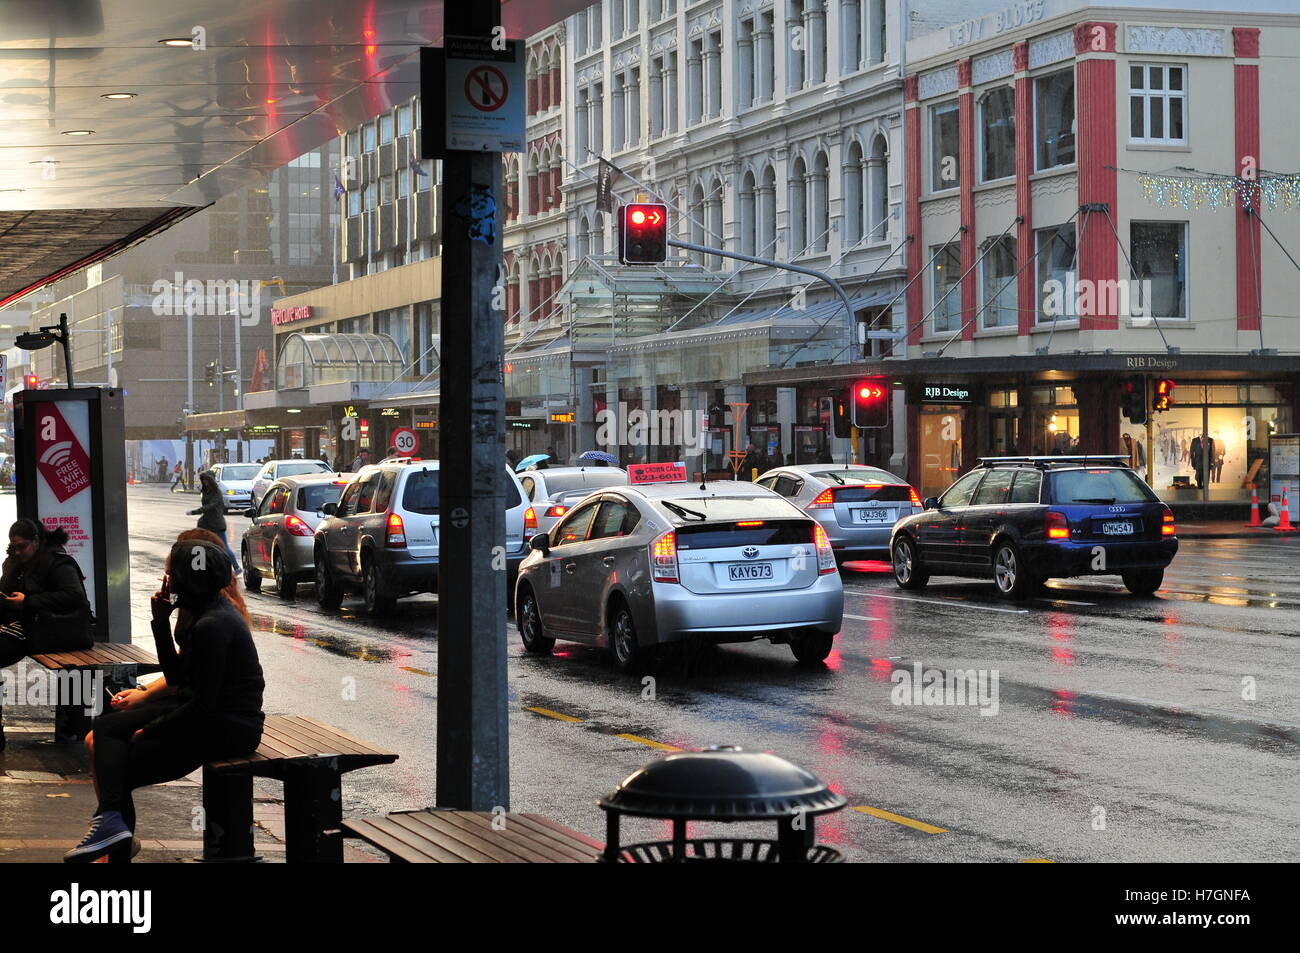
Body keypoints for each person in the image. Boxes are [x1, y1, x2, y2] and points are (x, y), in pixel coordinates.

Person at [65, 541, 264, 862]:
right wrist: (160, 621)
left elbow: (202, 706)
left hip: (228, 727)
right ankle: (112, 823)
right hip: (207, 714)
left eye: (171, 574)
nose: (166, 579)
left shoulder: (212, 626)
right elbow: (176, 678)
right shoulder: (204, 611)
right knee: (105, 728)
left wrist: (151, 730)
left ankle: (114, 833)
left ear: (185, 581)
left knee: (117, 767)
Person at [0, 519, 94, 750]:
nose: (18, 552)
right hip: (22, 624)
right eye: (14, 547)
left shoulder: (58, 563)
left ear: (37, 541)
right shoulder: (15, 562)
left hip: (47, 629)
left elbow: (74, 597)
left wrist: (28, 602)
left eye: (22, 546)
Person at [189, 471, 240, 573]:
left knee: (224, 547)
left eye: (206, 479)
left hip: (217, 524)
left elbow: (210, 506)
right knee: (202, 546)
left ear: (211, 480)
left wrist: (195, 511)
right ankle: (204, 568)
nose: (205, 481)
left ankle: (237, 568)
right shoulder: (205, 490)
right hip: (206, 523)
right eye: (203, 480)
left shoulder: (217, 493)